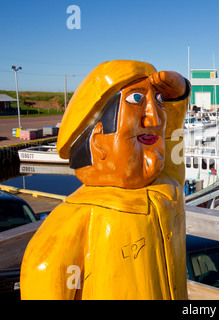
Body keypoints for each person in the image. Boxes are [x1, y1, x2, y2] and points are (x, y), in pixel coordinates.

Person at [20, 60, 190, 300]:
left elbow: (172, 143)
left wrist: (177, 97)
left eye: (159, 101)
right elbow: (46, 275)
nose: (156, 120)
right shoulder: (78, 219)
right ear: (96, 137)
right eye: (136, 100)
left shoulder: (166, 189)